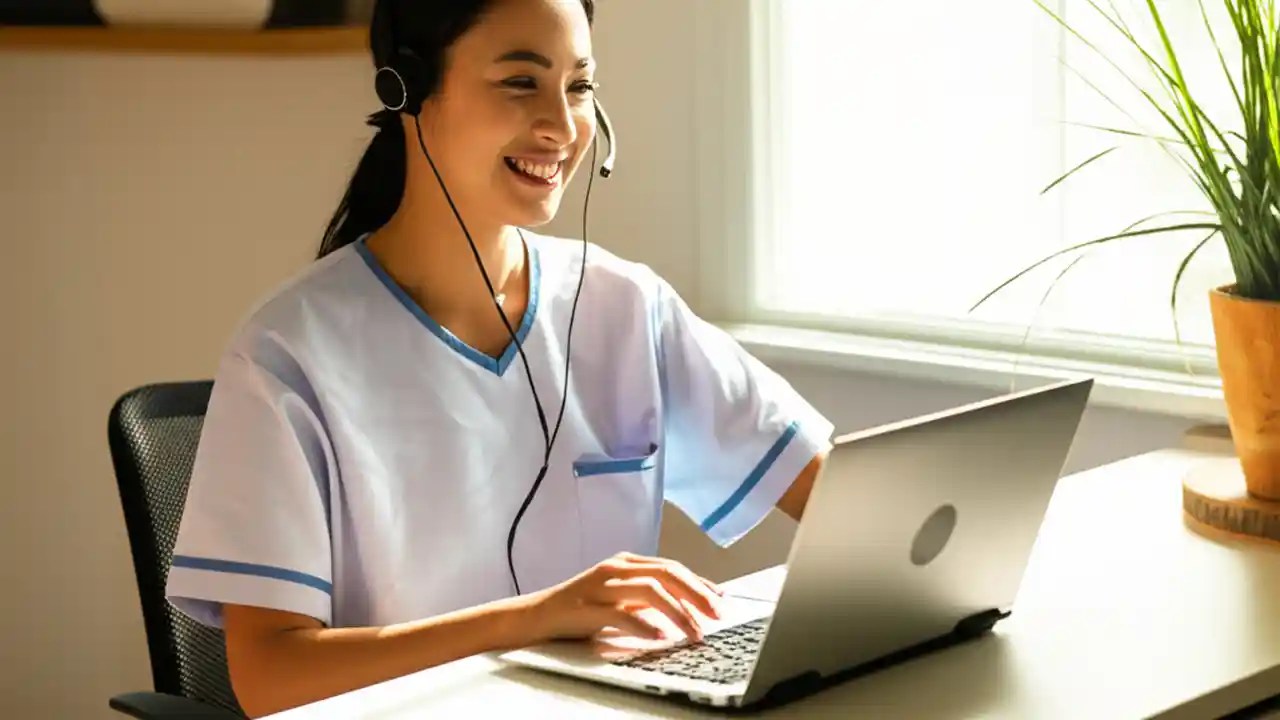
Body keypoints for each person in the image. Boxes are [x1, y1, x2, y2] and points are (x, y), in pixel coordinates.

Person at [164, 0, 834, 716]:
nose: (564, 126)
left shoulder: (626, 307)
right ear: (408, 90)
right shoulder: (288, 353)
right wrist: (531, 619)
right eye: (522, 83)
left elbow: (847, 499)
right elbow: (270, 677)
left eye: (579, 87)